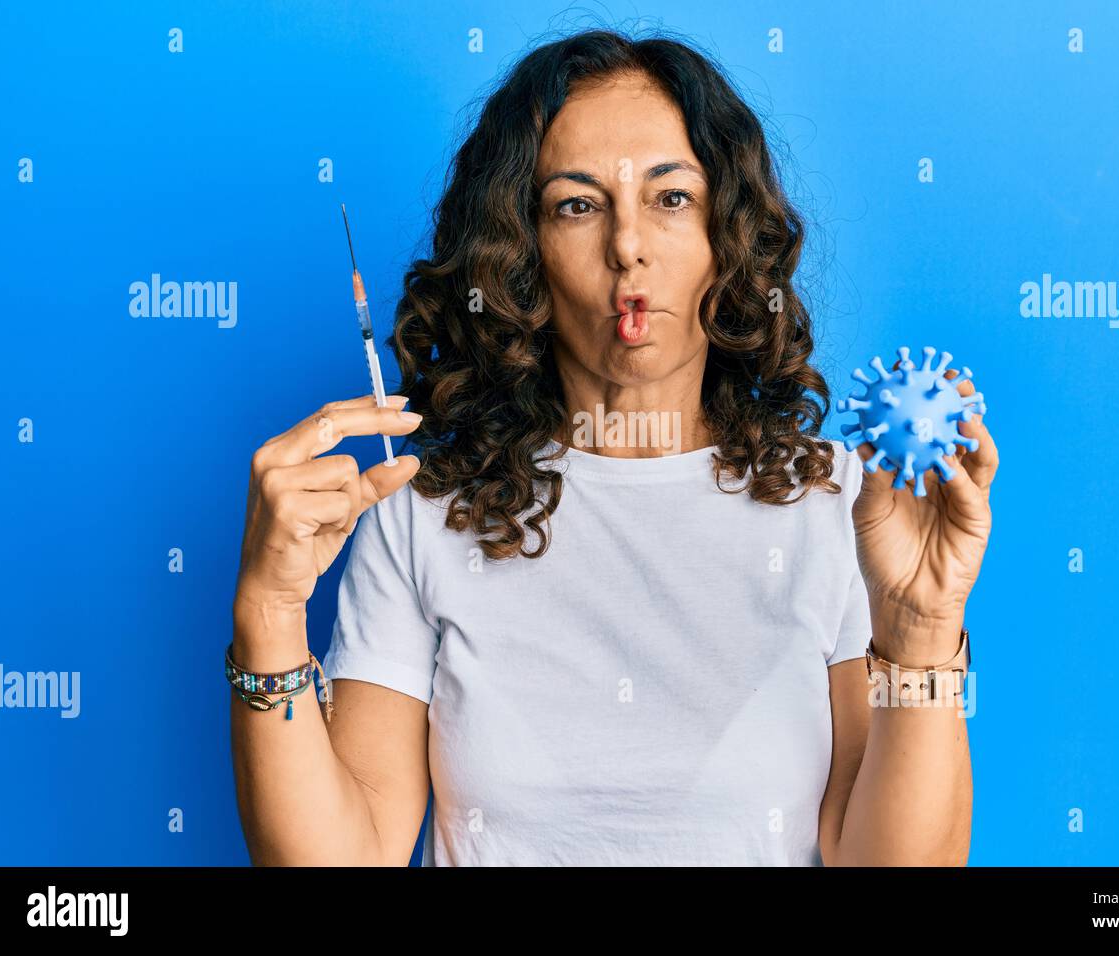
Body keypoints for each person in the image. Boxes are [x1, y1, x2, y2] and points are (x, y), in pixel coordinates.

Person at [229, 28, 999, 866]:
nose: (627, 245)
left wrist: (921, 629)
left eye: (671, 199)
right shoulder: (421, 509)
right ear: (524, 254)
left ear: (726, 237)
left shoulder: (839, 503)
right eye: (578, 204)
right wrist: (269, 616)